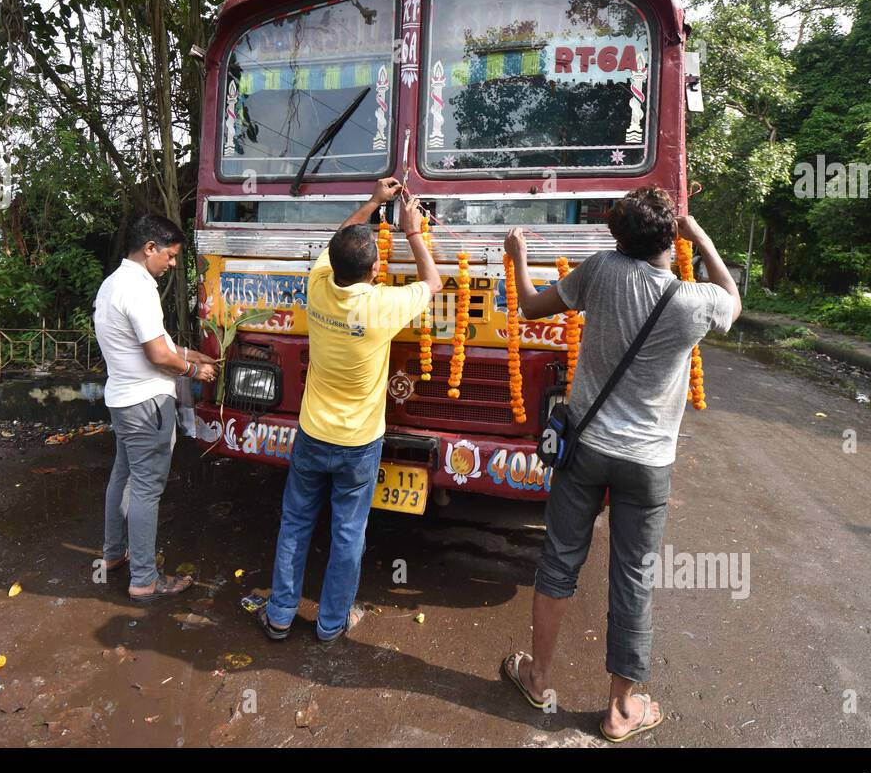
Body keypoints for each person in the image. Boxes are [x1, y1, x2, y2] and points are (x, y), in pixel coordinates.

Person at [500, 186, 741, 742]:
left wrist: (517, 257)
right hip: (648, 463)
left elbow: (533, 306)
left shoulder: (601, 272)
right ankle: (620, 709)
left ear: (616, 236)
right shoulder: (693, 301)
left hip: (584, 451)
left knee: (560, 561)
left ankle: (537, 677)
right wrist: (700, 235)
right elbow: (734, 300)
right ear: (670, 238)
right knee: (632, 578)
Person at [259, 177, 442, 642]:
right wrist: (413, 229)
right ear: (374, 270)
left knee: (296, 522)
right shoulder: (382, 306)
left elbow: (338, 240)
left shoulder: (318, 285)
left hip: (312, 433)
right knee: (347, 534)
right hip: (359, 444)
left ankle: (279, 615)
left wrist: (372, 204)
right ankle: (330, 623)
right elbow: (433, 282)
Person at [94, 214, 216, 602]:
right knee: (146, 490)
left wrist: (199, 353)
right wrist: (197, 370)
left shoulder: (114, 284)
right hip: (147, 404)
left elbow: (161, 343)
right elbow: (159, 354)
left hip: (123, 400)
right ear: (150, 249)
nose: (173, 263)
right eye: (171, 255)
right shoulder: (139, 289)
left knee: (122, 477)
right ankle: (144, 579)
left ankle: (114, 555)